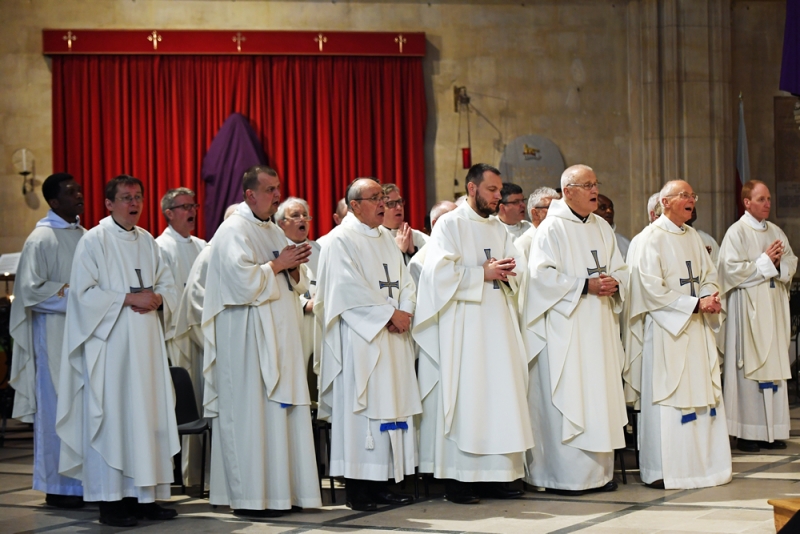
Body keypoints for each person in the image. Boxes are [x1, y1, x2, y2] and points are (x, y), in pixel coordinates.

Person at [56, 174, 180, 527]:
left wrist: (159, 299)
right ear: (108, 204)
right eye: (126, 197)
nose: (134, 203)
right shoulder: (94, 241)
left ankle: (146, 498)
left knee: (148, 418)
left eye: (138, 196)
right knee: (115, 419)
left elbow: (169, 285)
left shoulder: (149, 242)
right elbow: (81, 295)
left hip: (148, 351)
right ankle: (111, 502)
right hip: (111, 351)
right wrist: (128, 298)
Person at [202, 166, 321, 517]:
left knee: (279, 419)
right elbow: (239, 285)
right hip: (247, 341)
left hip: (280, 338)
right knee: (252, 415)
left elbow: (295, 283)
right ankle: (253, 497)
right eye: (270, 189)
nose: (276, 195)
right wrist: (279, 264)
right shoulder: (232, 231)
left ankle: (285, 493)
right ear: (249, 194)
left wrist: (294, 267)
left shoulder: (271, 229)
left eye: (278, 188)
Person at [413, 163, 533, 505]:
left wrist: (509, 273)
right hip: (465, 328)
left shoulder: (499, 228)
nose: (498, 197)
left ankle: (497, 476)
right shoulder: (450, 224)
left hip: (499, 323)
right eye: (492, 190)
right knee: (469, 397)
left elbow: (518, 268)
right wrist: (481, 272)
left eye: (499, 191)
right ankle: (461, 478)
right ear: (472, 188)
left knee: (500, 397)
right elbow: (436, 276)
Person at [315, 177, 421, 511]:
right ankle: (361, 489)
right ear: (354, 205)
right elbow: (347, 291)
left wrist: (404, 311)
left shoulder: (387, 240)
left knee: (391, 406)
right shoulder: (338, 241)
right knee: (365, 409)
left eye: (386, 198)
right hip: (362, 339)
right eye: (376, 198)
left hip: (393, 336)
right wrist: (391, 315)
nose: (384, 204)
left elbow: (405, 281)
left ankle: (386, 482)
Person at [524, 165, 628, 495]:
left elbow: (621, 268)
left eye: (596, 184)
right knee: (571, 394)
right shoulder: (551, 229)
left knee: (599, 395)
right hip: (566, 331)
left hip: (599, 328)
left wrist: (615, 281)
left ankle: (598, 474)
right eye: (587, 185)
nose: (595, 190)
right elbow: (540, 278)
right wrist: (585, 286)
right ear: (568, 191)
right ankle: (561, 476)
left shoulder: (601, 227)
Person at [625, 180, 732, 490]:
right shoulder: (649, 239)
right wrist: (694, 304)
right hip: (666, 332)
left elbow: (709, 275)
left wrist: (710, 298)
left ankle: (705, 468)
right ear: (665, 202)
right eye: (683, 195)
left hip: (696, 330)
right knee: (669, 394)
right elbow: (650, 290)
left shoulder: (694, 237)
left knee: (702, 394)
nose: (690, 200)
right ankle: (665, 470)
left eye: (692, 195)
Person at [9, 173, 86, 509]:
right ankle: (58, 486)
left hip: (85, 334)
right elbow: (30, 292)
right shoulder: (40, 239)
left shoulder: (85, 235)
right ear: (54, 202)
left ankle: (86, 482)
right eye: (71, 192)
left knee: (84, 408)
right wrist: (79, 296)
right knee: (57, 408)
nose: (80, 195)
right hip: (54, 333)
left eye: (79, 190)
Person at [718, 180, 797, 452]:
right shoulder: (736, 233)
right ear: (746, 202)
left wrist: (778, 264)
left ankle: (771, 432)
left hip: (773, 308)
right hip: (748, 312)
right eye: (761, 199)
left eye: (768, 199)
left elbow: (791, 261)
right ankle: (747, 433)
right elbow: (729, 271)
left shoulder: (776, 231)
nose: (767, 203)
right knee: (749, 369)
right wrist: (765, 261)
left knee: (773, 367)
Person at [155, 187, 207, 487]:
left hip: (204, 335)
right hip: (178, 337)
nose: (192, 211)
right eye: (184, 206)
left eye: (194, 205)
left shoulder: (203, 246)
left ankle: (203, 473)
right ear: (169, 213)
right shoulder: (160, 247)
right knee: (185, 406)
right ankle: (183, 474)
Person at [276, 197, 322, 376]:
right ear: (281, 224)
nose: (302, 219)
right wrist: (304, 303)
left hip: (320, 320)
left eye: (305, 215)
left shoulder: (318, 249)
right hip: (295, 321)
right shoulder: (278, 250)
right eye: (295, 215)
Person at [407, 200, 457, 286]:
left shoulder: (466, 248)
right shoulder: (419, 262)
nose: (459, 224)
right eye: (453, 220)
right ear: (435, 224)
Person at [381, 183, 428, 263]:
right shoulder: (375, 237)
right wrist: (400, 251)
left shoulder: (418, 237)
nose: (399, 207)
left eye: (400, 202)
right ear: (380, 207)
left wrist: (413, 253)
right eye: (391, 204)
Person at [515, 186, 559, 262]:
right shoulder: (523, 245)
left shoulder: (560, 237)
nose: (558, 211)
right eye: (551, 207)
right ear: (535, 213)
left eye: (559, 207)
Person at [594, 194, 631, 260]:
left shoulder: (624, 242)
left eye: (611, 208)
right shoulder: (585, 240)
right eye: (603, 208)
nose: (609, 211)